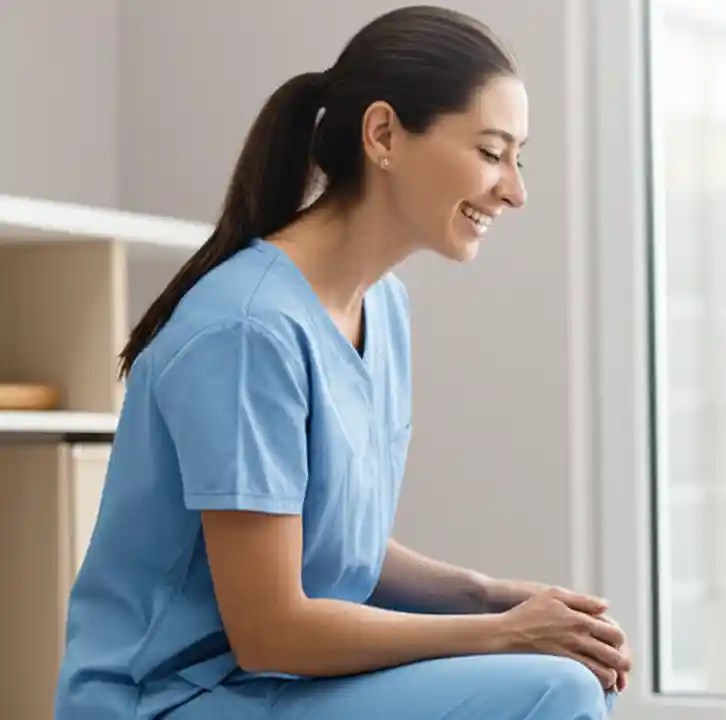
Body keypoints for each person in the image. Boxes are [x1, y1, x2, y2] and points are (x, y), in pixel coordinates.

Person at [54, 6, 628, 719]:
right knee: (554, 689)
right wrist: (502, 634)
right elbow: (270, 631)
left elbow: (332, 547)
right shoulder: (248, 331)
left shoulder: (383, 308)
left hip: (274, 688)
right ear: (383, 135)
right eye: (490, 152)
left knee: (557, 679)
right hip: (172, 700)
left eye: (519, 158)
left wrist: (489, 594)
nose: (514, 189)